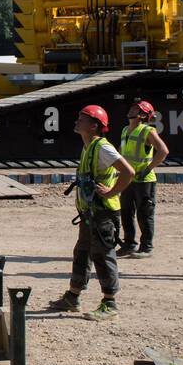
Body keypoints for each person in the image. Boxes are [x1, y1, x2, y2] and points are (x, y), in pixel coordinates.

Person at [50, 104, 135, 321]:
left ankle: (109, 302)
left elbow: (128, 172)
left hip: (103, 213)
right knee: (82, 252)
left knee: (102, 254)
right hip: (90, 212)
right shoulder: (88, 146)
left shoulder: (102, 148)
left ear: (94, 125)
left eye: (83, 118)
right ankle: (73, 296)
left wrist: (112, 192)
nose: (77, 120)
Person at [118, 100, 168, 258]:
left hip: (144, 181)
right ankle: (129, 244)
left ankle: (146, 247)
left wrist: (148, 169)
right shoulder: (126, 130)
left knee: (144, 214)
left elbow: (163, 151)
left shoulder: (147, 131)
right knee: (126, 212)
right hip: (128, 179)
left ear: (143, 115)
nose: (131, 109)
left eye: (136, 108)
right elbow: (121, 152)